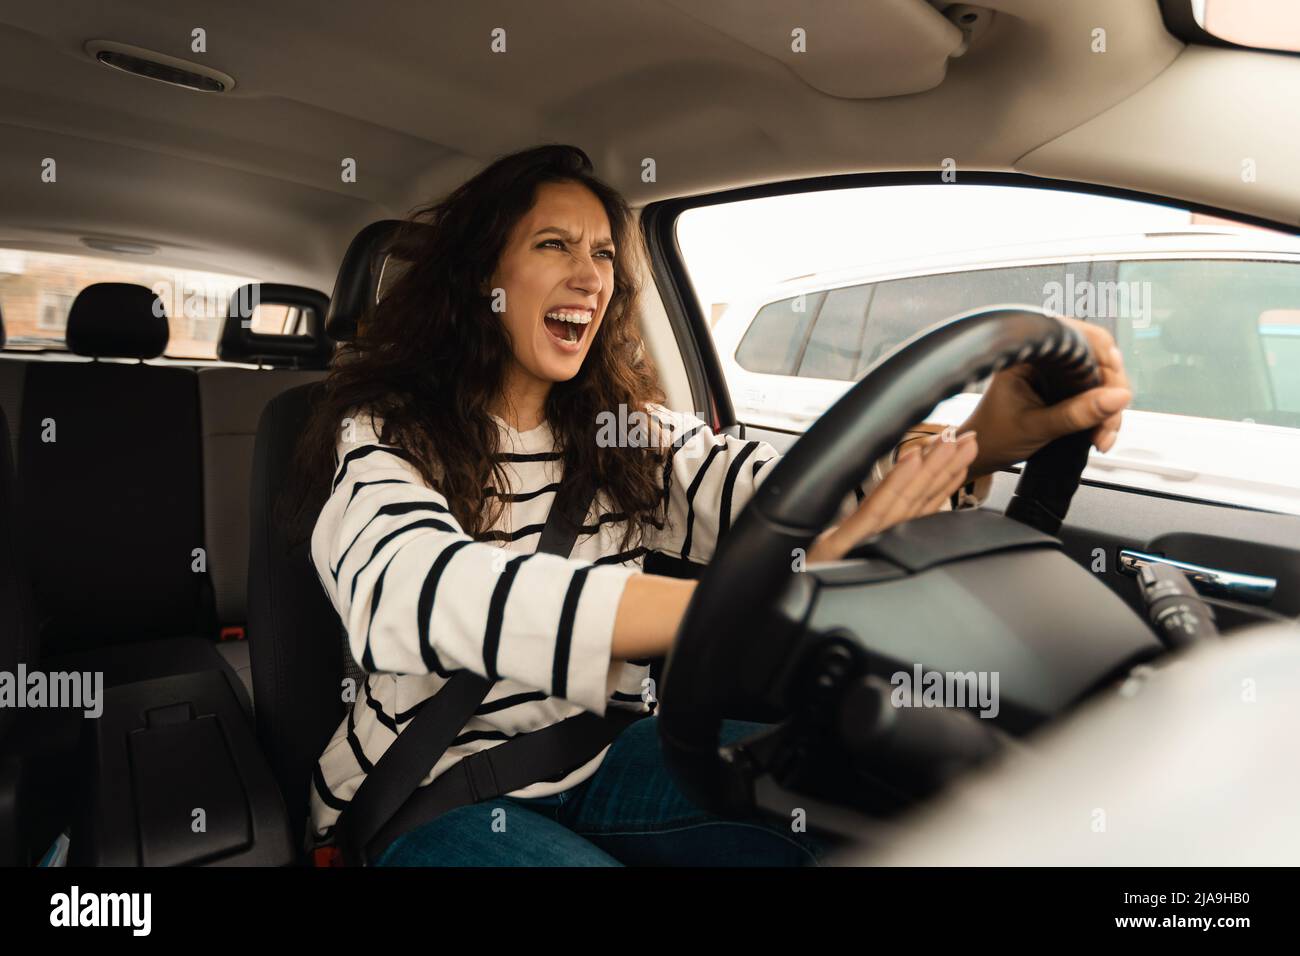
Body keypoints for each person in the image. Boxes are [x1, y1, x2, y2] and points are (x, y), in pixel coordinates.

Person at [284, 144, 1131, 866]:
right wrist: (736, 608)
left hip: (602, 752)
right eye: (553, 245)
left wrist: (978, 440)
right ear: (482, 279)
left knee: (875, 806)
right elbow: (414, 589)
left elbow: (786, 491)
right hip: (434, 790)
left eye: (604, 255)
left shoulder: (623, 433)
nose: (590, 275)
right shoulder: (388, 432)